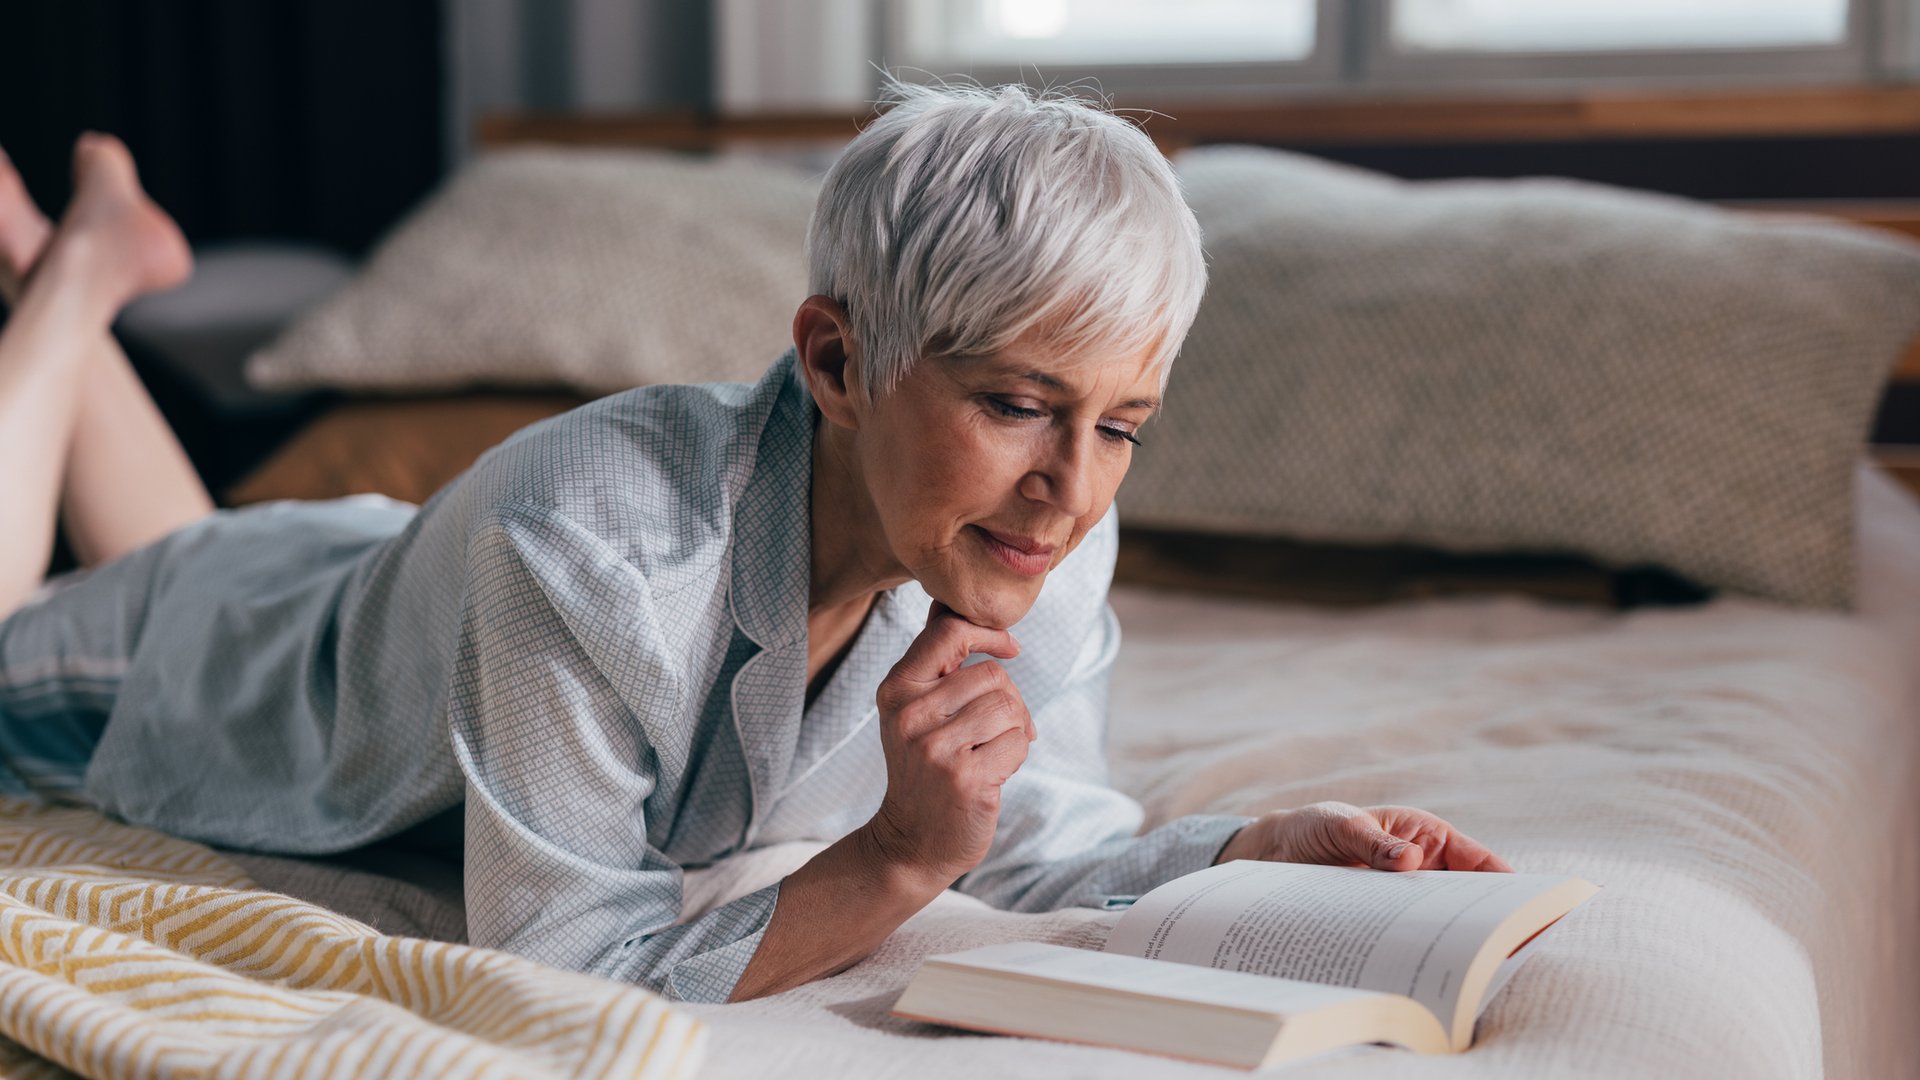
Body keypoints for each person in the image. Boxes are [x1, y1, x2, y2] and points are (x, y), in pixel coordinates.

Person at [0, 81, 1513, 1006]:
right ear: (838, 362)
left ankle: (74, 268)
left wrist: (1244, 850)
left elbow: (1037, 844)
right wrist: (891, 862)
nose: (1070, 489)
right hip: (230, 648)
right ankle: (69, 280)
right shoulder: (586, 551)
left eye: (1121, 426)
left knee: (225, 555)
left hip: (376, 582)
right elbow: (569, 973)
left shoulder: (1032, 540)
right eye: (1015, 404)